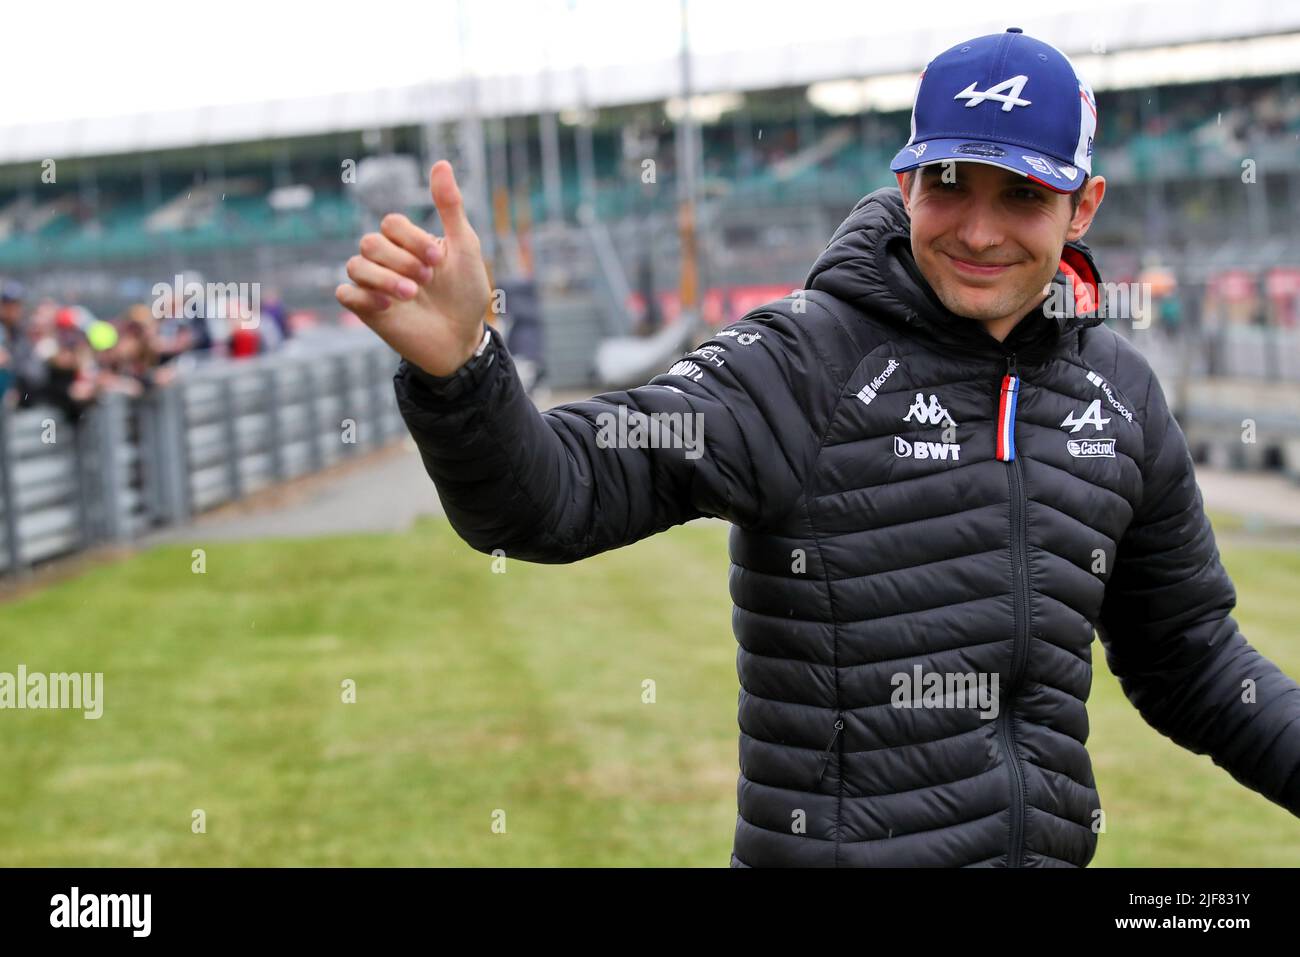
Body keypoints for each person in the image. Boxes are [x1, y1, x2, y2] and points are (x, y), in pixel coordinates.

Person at [336, 28, 1300, 867]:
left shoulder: (1118, 393)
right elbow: (551, 496)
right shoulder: (801, 360)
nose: (977, 229)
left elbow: (1195, 659)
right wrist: (464, 368)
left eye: (1023, 197)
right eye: (951, 183)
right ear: (907, 179)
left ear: (1082, 208)